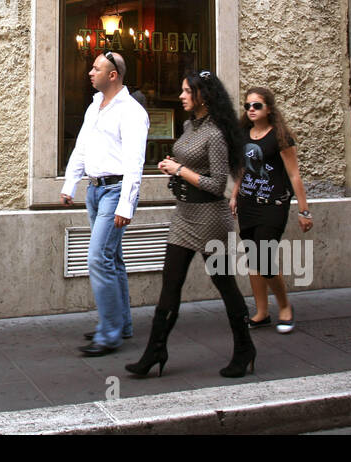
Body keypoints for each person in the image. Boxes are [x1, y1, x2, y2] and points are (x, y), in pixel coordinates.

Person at [126, 70, 253, 379]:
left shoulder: (217, 134)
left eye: (186, 91)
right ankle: (156, 350)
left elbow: (217, 184)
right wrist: (174, 169)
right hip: (184, 216)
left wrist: (179, 168)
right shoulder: (188, 125)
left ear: (202, 96)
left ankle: (244, 348)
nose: (180, 95)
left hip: (211, 219)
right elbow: (190, 165)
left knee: (225, 286)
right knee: (170, 284)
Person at [61, 51, 149, 356]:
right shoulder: (94, 106)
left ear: (113, 75)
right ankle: (120, 325)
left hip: (116, 190)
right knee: (112, 258)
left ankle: (108, 333)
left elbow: (135, 162)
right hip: (95, 191)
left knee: (98, 258)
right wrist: (70, 183)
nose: (90, 72)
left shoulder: (132, 112)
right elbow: (82, 146)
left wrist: (126, 205)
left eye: (96, 68)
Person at [229, 87, 312, 334]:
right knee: (254, 258)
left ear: (269, 109)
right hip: (248, 204)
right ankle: (262, 312)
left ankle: (285, 306)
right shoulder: (243, 134)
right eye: (248, 106)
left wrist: (304, 210)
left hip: (273, 204)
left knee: (264, 259)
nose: (251, 110)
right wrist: (234, 195)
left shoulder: (280, 136)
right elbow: (243, 168)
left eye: (257, 106)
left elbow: (294, 174)